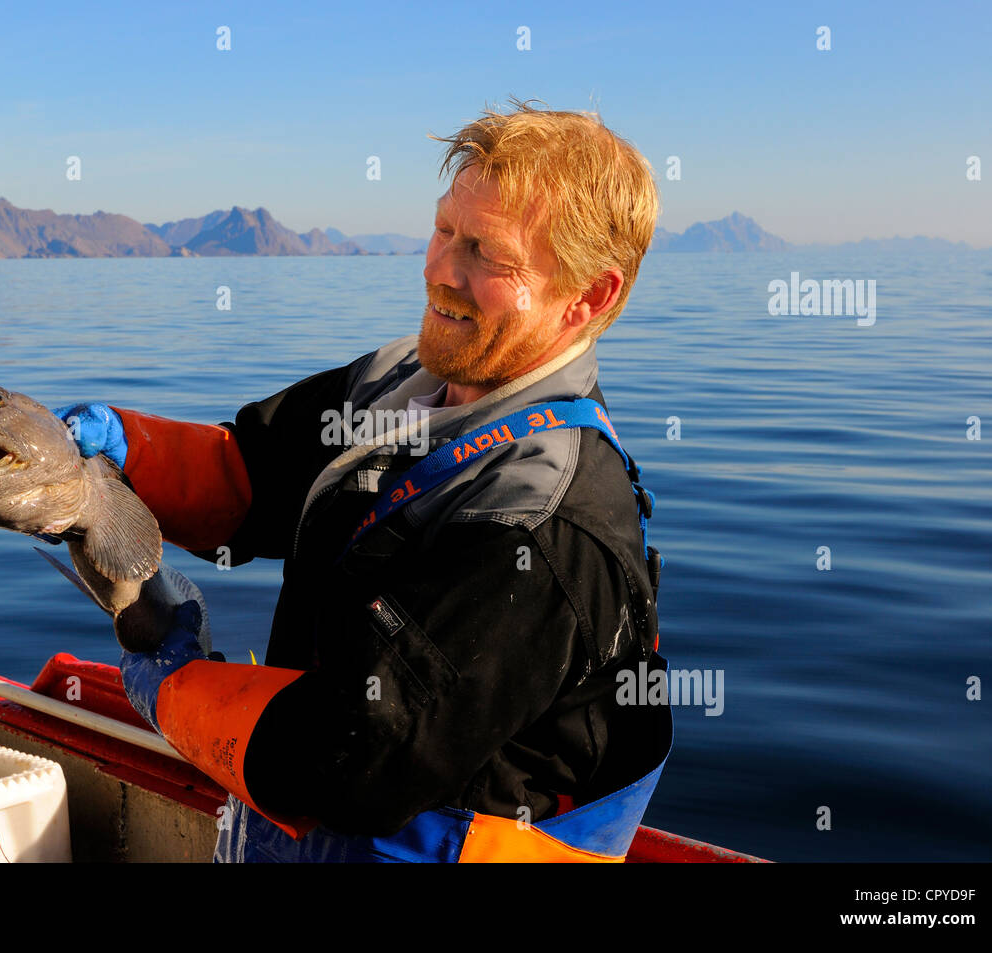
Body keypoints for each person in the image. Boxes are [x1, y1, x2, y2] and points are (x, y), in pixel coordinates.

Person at [57, 101, 671, 863]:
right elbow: (252, 474)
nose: (440, 270)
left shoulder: (546, 522)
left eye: (486, 252)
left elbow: (345, 759)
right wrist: (111, 460)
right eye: (445, 229)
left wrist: (175, 686)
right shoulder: (398, 381)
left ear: (589, 297)